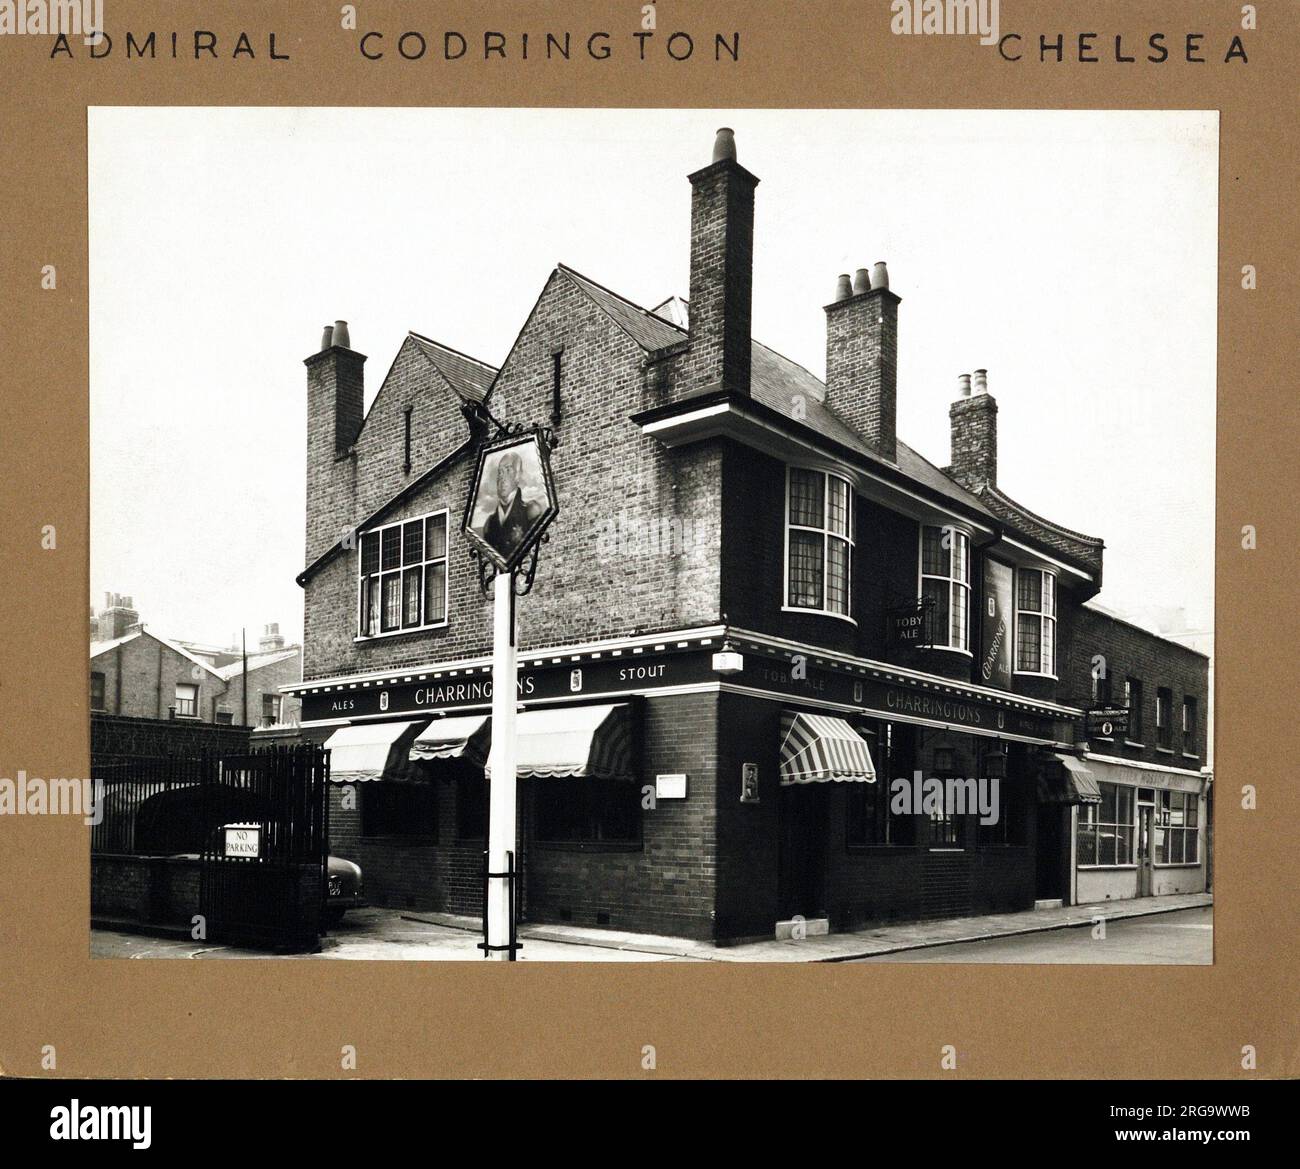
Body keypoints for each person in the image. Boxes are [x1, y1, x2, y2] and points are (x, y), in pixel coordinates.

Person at [481, 450, 543, 561]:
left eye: (508, 470)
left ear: (518, 476)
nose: (502, 478)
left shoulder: (531, 511)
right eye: (500, 472)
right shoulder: (489, 524)